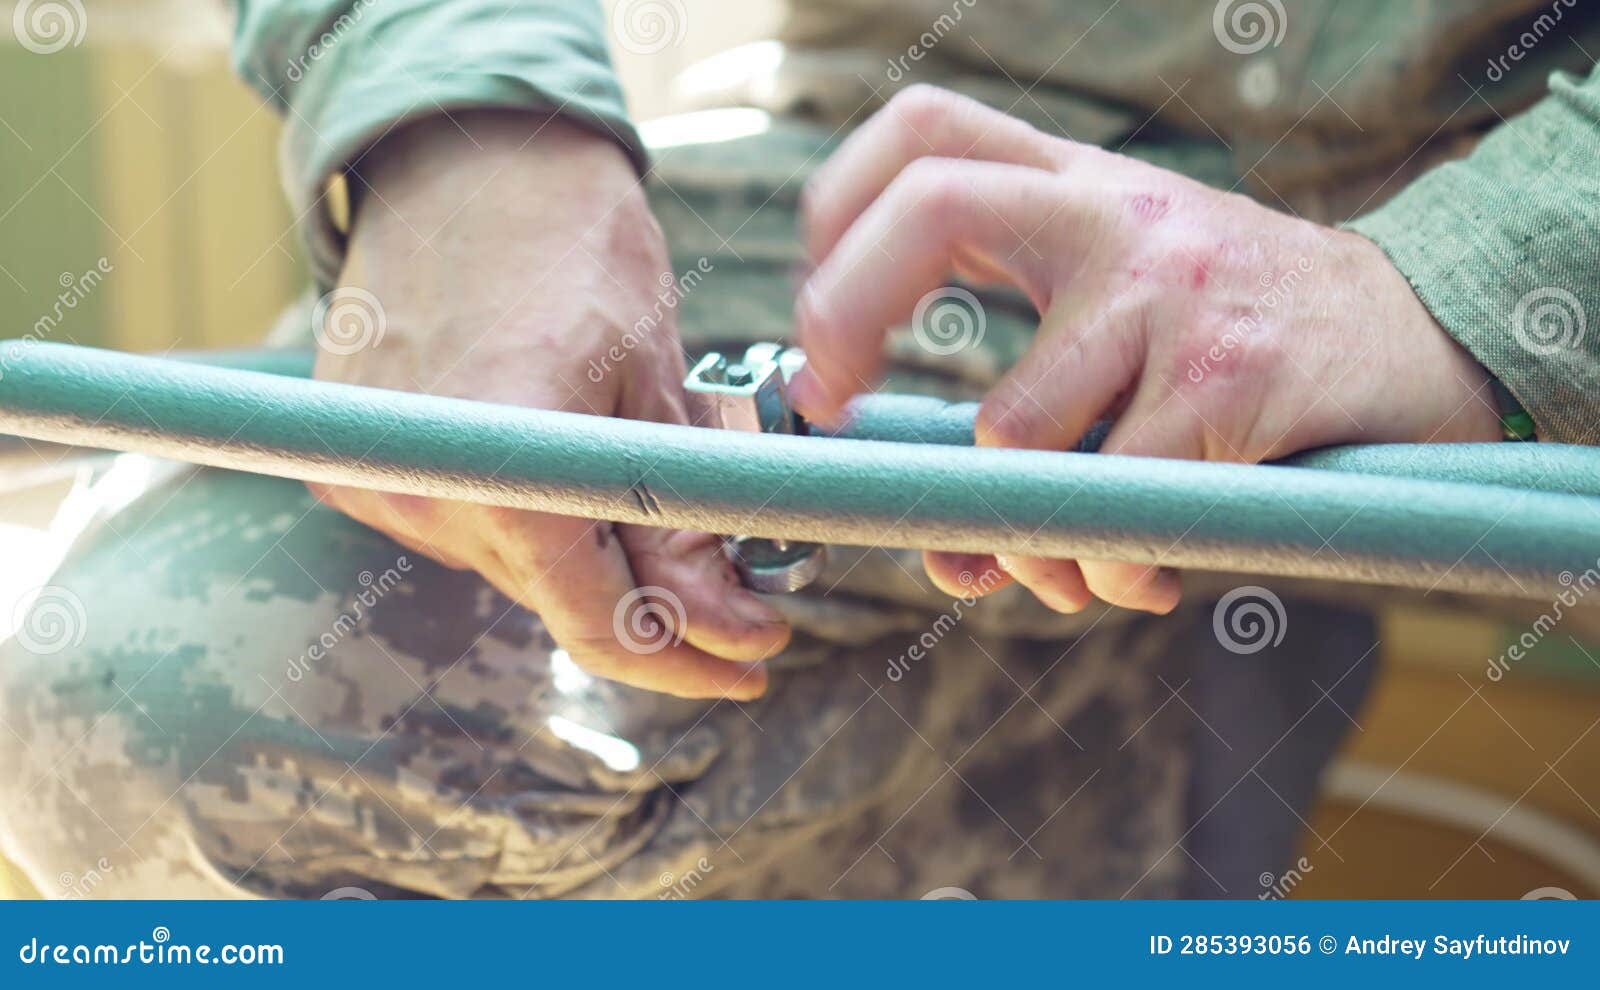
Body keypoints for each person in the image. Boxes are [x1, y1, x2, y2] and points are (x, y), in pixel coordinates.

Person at [0, 0, 1594, 898]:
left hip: (1513, 177)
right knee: (141, 703)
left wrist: (1475, 280)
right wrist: (462, 105)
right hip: (897, 153)